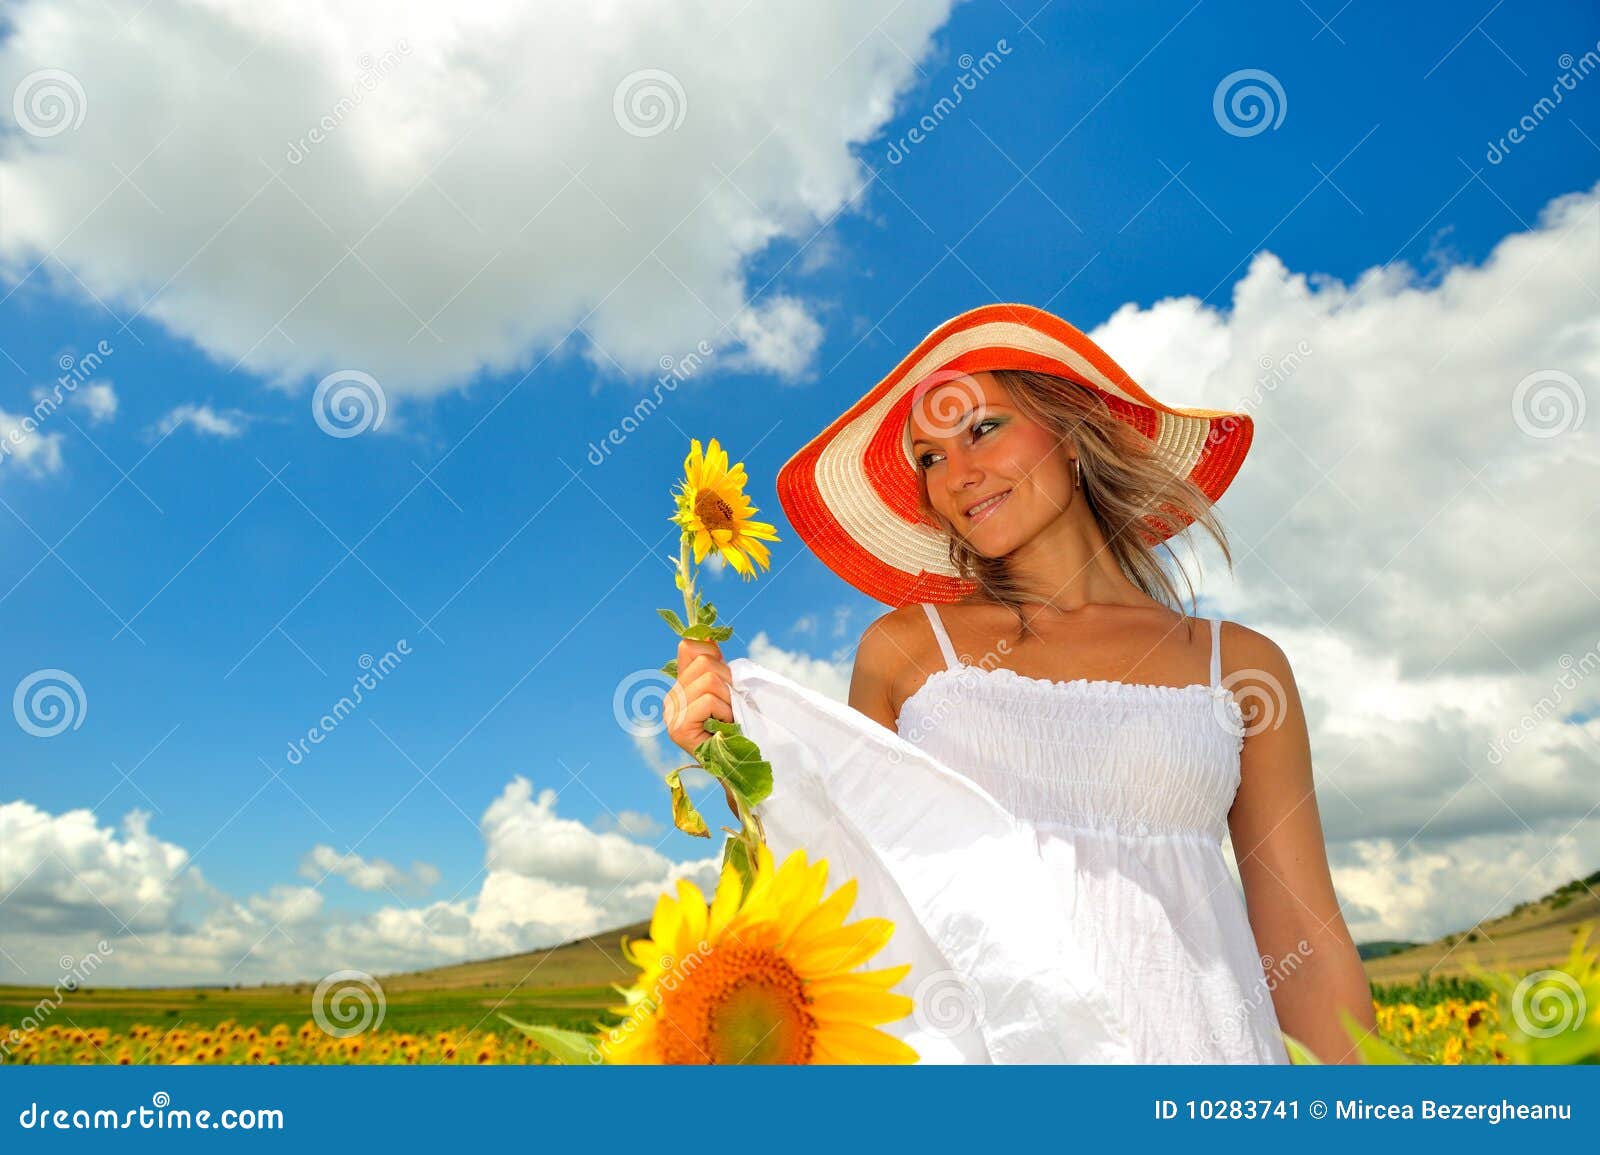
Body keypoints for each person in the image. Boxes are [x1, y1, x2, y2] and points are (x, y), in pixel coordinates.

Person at [665, 303, 1374, 1064]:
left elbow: (1302, 937)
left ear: (1071, 431)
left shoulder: (1238, 665)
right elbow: (846, 881)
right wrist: (735, 753)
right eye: (929, 458)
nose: (958, 475)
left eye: (982, 428)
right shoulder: (904, 652)